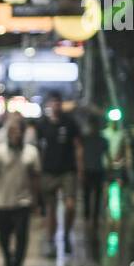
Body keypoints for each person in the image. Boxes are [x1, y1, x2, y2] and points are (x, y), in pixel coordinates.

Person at [0, 115, 40, 266]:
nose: (16, 134)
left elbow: (35, 177)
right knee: (2, 236)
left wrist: (36, 199)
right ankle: (8, 259)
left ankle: (17, 265)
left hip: (23, 201)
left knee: (22, 235)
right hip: (3, 201)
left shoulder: (31, 152)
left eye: (19, 131)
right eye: (12, 131)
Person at [37, 91, 83, 256]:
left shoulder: (69, 123)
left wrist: (80, 169)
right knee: (51, 209)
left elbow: (78, 146)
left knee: (70, 206)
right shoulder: (43, 125)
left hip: (68, 170)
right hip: (49, 171)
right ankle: (51, 241)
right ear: (49, 104)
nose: (55, 105)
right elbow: (38, 148)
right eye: (53, 102)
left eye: (58, 102)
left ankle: (66, 234)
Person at [80, 114, 109, 225]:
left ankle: (95, 217)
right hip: (88, 170)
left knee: (97, 195)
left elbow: (107, 155)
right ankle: (87, 216)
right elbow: (81, 154)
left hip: (98, 170)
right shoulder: (85, 139)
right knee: (87, 195)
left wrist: (109, 169)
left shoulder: (102, 140)